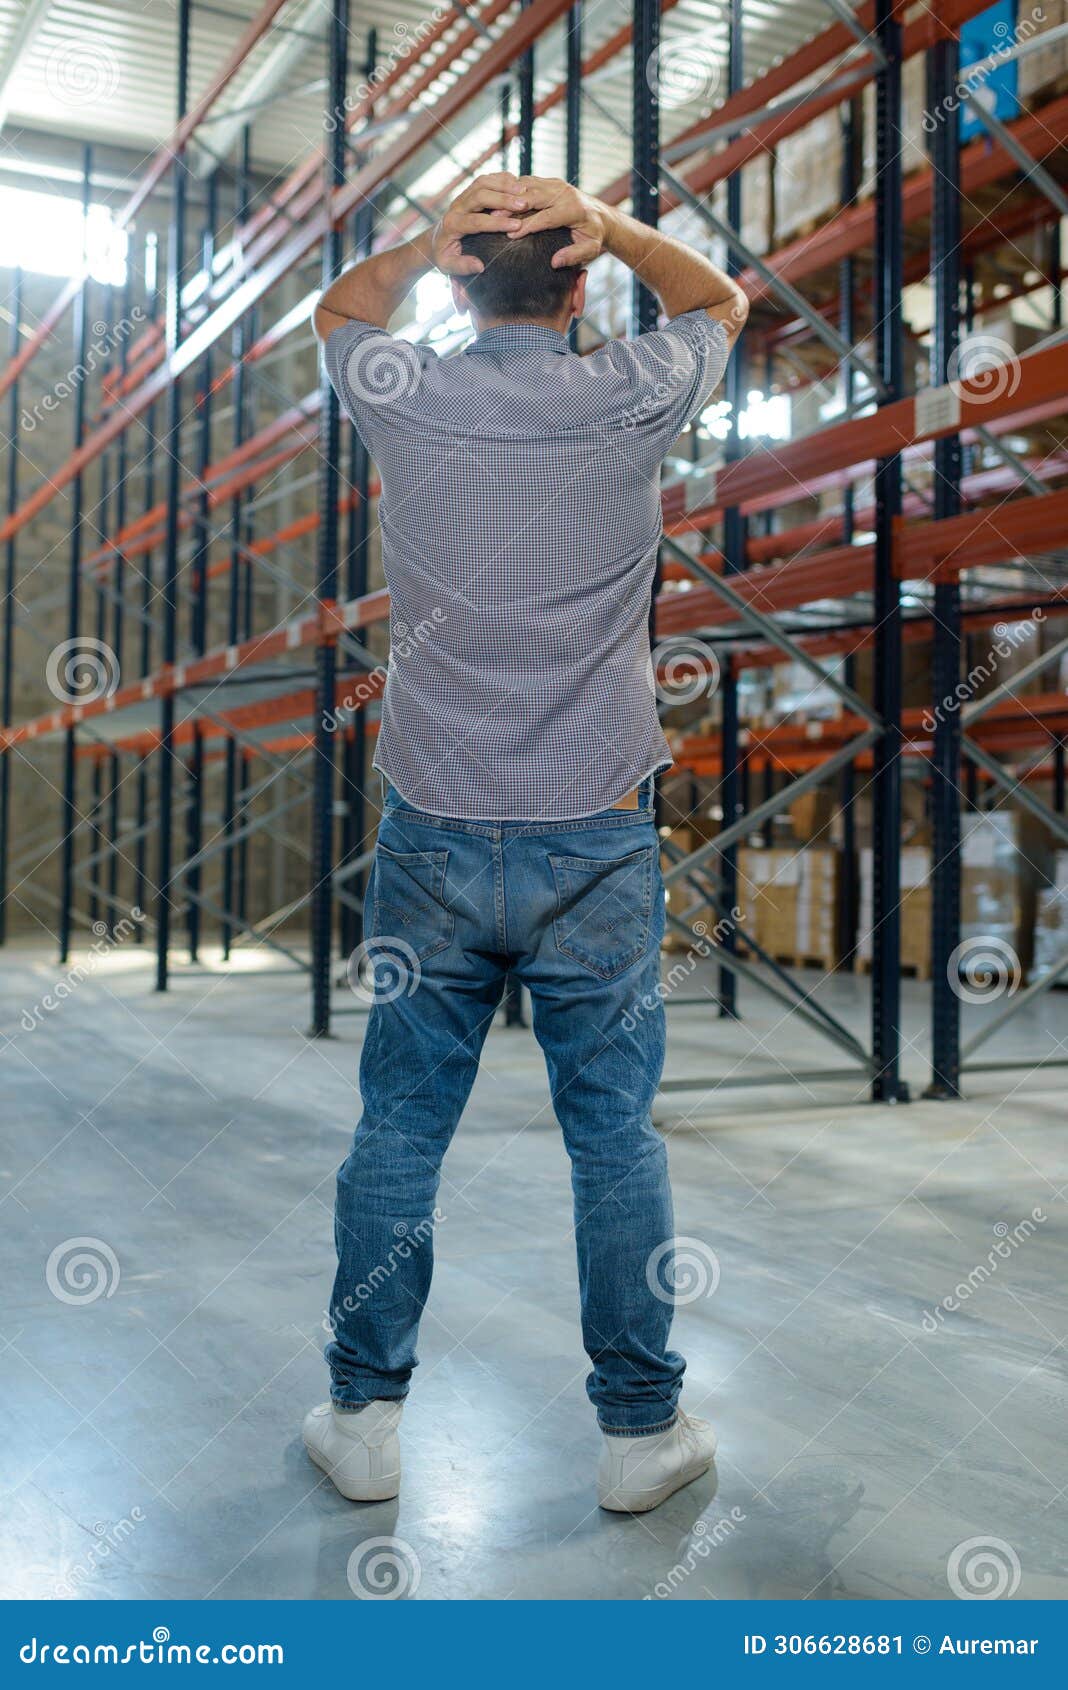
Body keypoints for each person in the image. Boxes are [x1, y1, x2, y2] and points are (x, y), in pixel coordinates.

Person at [305, 173, 747, 1513]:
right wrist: (615, 229)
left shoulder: (402, 392)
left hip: (433, 829)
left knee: (398, 1127)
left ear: (457, 284)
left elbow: (334, 305)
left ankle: (365, 1420)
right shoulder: (633, 390)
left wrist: (418, 245)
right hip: (594, 834)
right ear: (580, 288)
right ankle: (636, 1435)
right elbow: (720, 297)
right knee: (613, 1137)